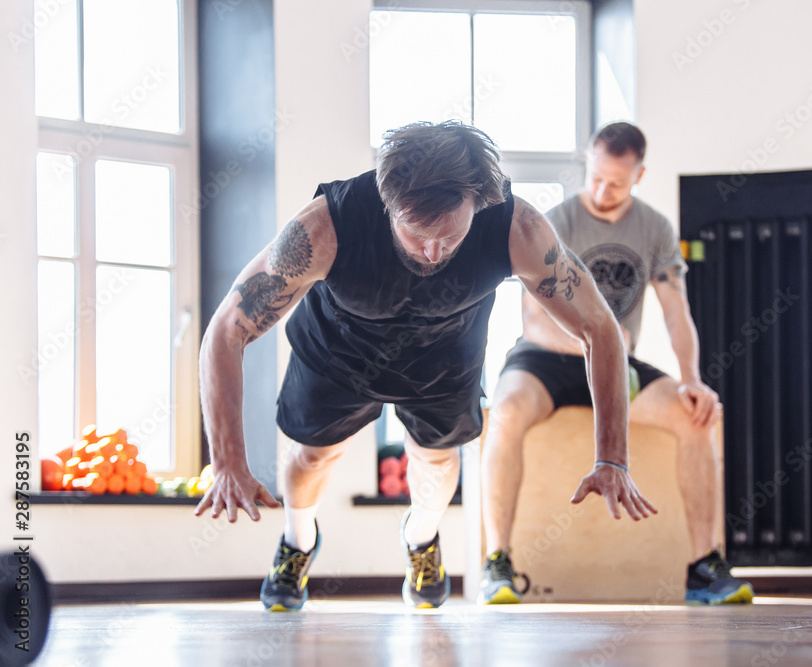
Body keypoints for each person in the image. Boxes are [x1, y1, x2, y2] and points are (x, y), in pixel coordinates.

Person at [195, 120, 657, 611]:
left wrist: (611, 456)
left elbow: (601, 328)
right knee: (313, 457)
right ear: (387, 201)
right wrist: (226, 461)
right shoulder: (326, 226)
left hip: (447, 353)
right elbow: (227, 329)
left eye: (451, 237)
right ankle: (298, 540)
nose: (434, 252)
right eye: (418, 236)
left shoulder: (515, 227)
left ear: (477, 202)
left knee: (436, 462)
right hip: (338, 351)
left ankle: (421, 539)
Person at [479, 122, 754, 606]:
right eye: (597, 178)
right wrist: (592, 339)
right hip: (547, 358)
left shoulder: (654, 229)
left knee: (696, 417)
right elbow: (535, 321)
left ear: (640, 175)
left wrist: (692, 381)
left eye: (618, 183)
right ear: (589, 162)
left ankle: (703, 568)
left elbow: (676, 313)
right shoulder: (555, 222)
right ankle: (497, 563)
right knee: (505, 413)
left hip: (615, 363)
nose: (604, 191)